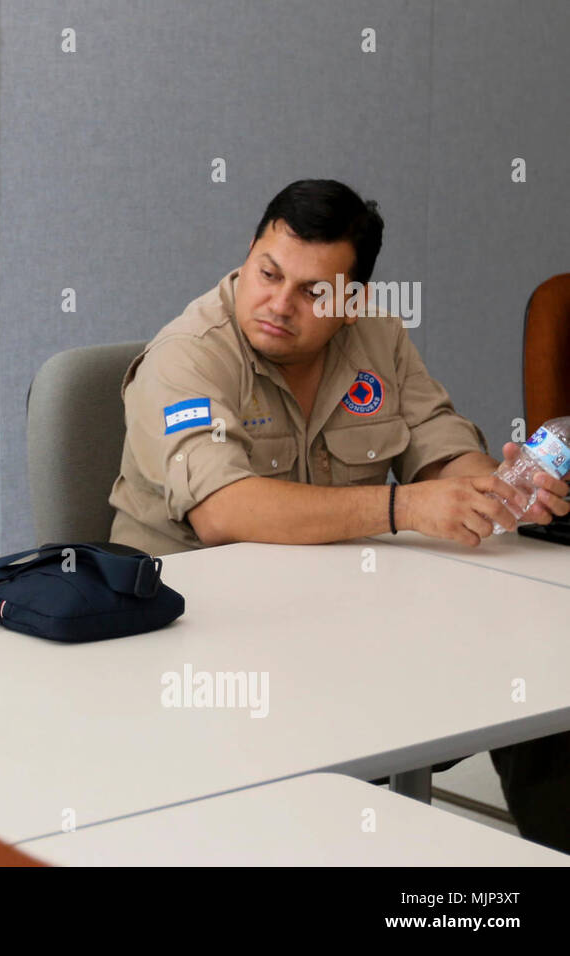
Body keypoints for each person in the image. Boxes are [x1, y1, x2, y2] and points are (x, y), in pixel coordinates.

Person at [108, 179, 570, 851]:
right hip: (201, 640)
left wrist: (497, 490)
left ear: (352, 301)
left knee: (536, 681)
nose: (278, 304)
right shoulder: (188, 356)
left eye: (313, 292)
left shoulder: (377, 336)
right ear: (250, 252)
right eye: (268, 274)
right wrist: (406, 506)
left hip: (345, 622)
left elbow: (438, 446)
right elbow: (223, 509)